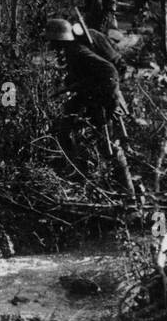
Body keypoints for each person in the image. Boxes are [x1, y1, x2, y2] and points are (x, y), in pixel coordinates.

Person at [45, 17, 133, 193]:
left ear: (60, 40)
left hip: (103, 97)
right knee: (66, 127)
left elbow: (110, 71)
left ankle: (127, 192)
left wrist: (112, 104)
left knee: (107, 144)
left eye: (54, 42)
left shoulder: (78, 51)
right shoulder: (73, 51)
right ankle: (79, 173)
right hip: (91, 93)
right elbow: (83, 75)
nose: (52, 47)